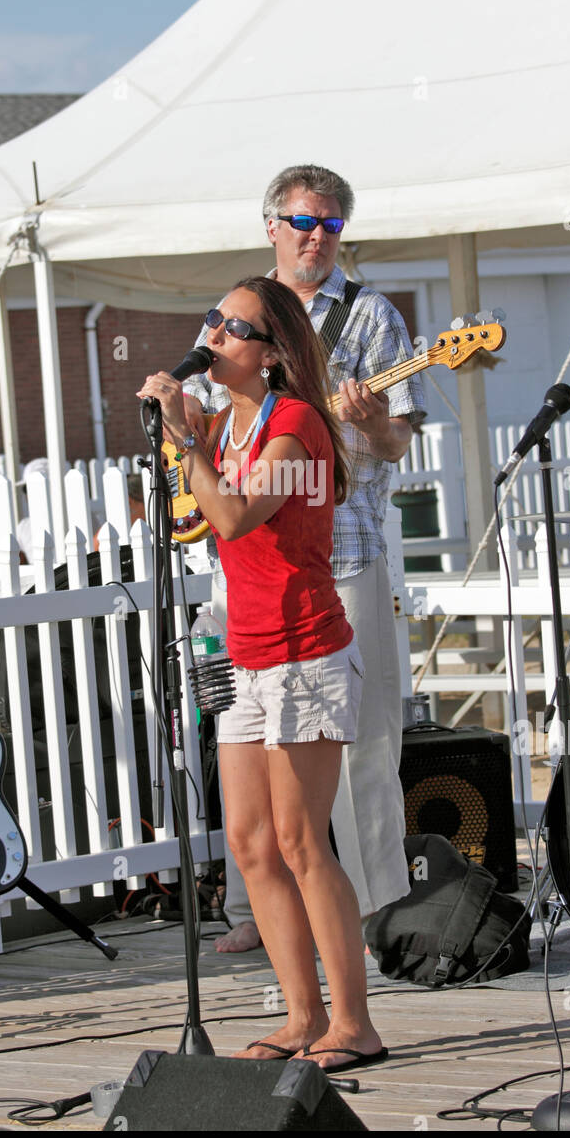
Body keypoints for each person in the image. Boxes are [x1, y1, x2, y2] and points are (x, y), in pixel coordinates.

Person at [137, 277, 386, 1070]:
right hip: (245, 651)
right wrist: (178, 435)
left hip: (304, 647)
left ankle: (355, 1024)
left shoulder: (298, 424)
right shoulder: (224, 425)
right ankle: (301, 1017)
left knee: (301, 841)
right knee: (249, 845)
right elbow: (179, 519)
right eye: (210, 316)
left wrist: (186, 444)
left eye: (233, 326)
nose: (213, 333)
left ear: (273, 352)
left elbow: (239, 514)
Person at [182, 163, 425, 953]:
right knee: (247, 740)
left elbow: (396, 445)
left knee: (362, 742)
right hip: (246, 561)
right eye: (303, 221)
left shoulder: (371, 316)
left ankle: (373, 910)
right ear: (272, 227)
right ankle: (264, 910)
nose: (316, 237)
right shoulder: (234, 316)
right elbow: (213, 431)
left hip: (343, 552)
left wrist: (376, 420)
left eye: (330, 225)